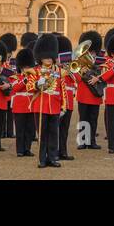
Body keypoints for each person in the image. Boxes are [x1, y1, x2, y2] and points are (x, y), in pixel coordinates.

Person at [30, 34, 64, 168]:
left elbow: (62, 90)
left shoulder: (58, 71)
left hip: (54, 106)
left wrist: (63, 105)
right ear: (40, 57)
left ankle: (52, 157)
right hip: (41, 106)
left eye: (50, 57)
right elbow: (29, 87)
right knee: (42, 134)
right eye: (45, 57)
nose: (48, 59)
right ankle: (42, 159)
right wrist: (38, 84)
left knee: (54, 134)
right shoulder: (35, 71)